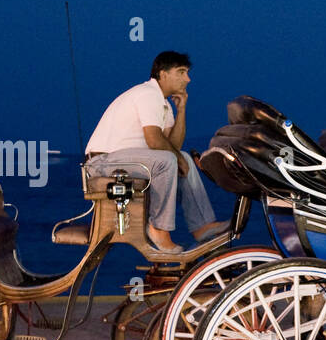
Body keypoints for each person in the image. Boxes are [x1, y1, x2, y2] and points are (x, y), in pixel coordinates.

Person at [84, 51, 226, 253]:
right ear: (163, 73)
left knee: (182, 156)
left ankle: (202, 226)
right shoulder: (148, 94)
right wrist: (176, 158)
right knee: (170, 159)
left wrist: (182, 110)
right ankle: (158, 228)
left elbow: (172, 146)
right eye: (181, 72)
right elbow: (154, 140)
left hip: (128, 161)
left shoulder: (164, 103)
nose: (188, 78)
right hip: (102, 162)